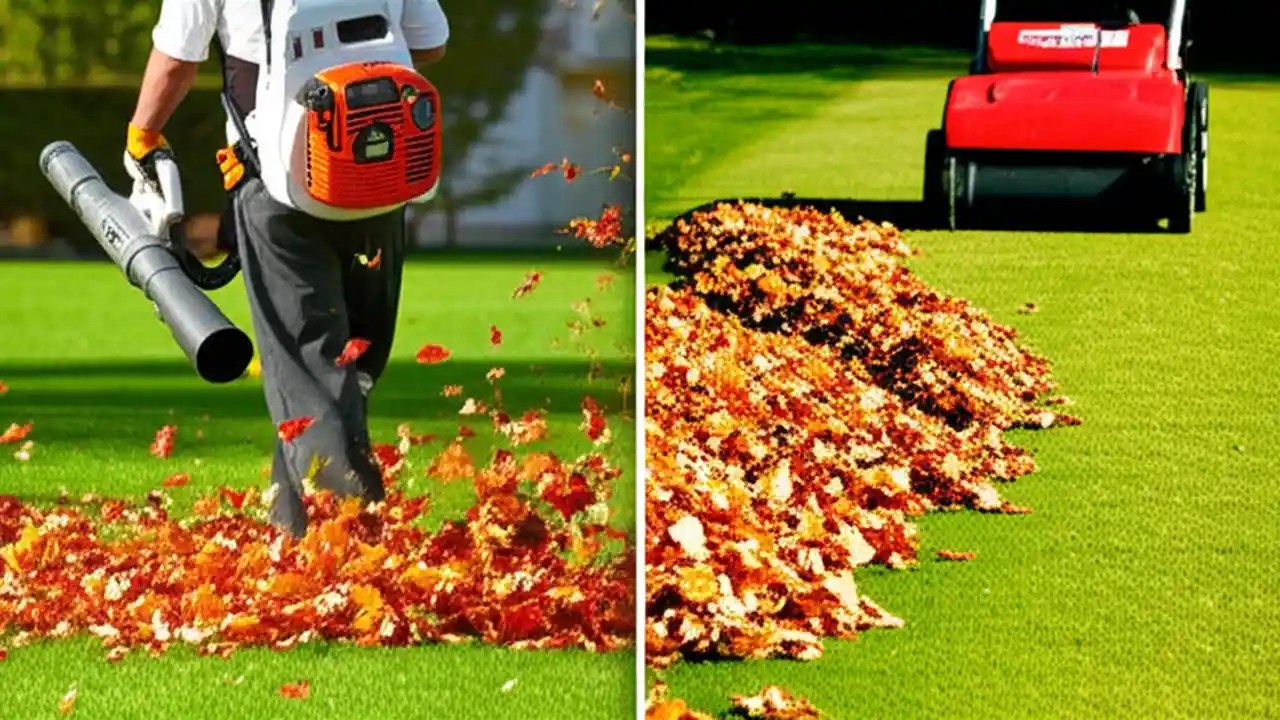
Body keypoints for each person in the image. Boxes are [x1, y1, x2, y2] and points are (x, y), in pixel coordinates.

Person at [124, 0, 449, 537]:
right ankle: (293, 534)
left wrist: (142, 134)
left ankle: (353, 545)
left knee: (312, 368)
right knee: (348, 362)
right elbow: (430, 42)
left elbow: (177, 57)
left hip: (277, 183)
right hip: (379, 172)